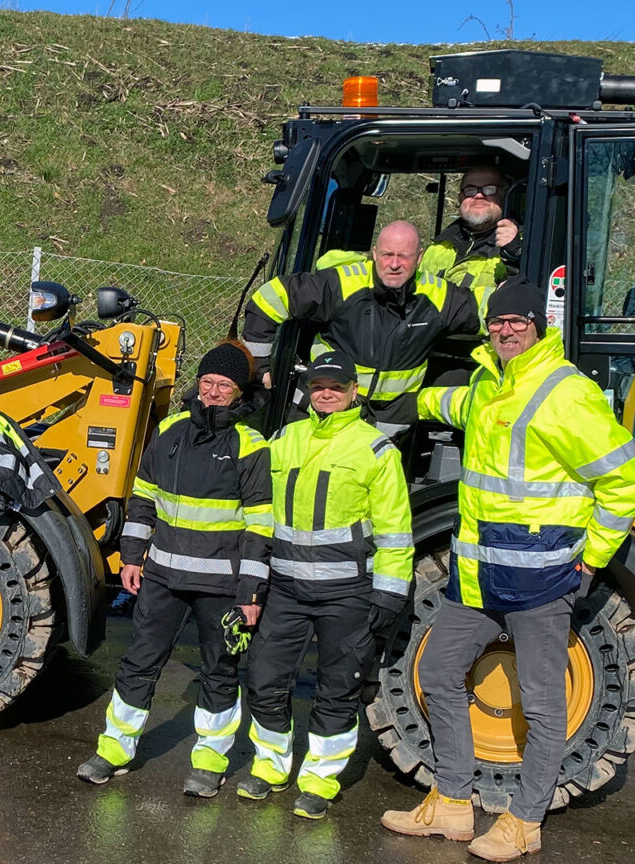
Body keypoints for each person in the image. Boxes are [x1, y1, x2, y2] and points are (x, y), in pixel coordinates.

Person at [380, 278, 635, 861]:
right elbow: (439, 403)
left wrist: (591, 561)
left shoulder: (564, 392)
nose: (505, 329)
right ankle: (452, 802)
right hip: (476, 581)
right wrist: (374, 395)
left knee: (544, 702)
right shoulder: (484, 383)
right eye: (497, 322)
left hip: (540, 582)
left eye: (516, 322)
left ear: (536, 325)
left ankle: (524, 821)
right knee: (438, 674)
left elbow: (626, 477)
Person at [76, 341, 273, 798]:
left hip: (220, 587)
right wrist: (130, 557)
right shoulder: (170, 431)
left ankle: (209, 761)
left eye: (224, 385)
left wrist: (249, 595)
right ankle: (115, 749)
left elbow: (261, 527)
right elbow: (143, 497)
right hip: (162, 576)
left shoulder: (250, 445)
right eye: (207, 382)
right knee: (139, 662)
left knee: (220, 669)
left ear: (239, 393)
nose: (213, 391)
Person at [235, 350, 413, 820]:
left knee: (337, 690)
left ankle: (319, 780)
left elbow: (395, 532)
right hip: (286, 590)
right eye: (319, 387)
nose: (327, 394)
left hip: (348, 595)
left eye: (336, 386)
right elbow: (257, 510)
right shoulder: (285, 439)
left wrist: (389, 594)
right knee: (264, 680)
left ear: (354, 391)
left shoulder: (376, 450)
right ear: (309, 391)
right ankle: (271, 767)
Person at [243, 220, 480, 437]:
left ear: (419, 258)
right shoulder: (343, 283)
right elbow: (270, 298)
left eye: (403, 256)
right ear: (374, 254)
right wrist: (261, 367)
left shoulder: (439, 296)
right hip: (319, 417)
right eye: (387, 255)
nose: (394, 264)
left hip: (385, 432)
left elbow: (496, 309)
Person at [418, 165, 522, 323]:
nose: (479, 196)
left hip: (485, 343)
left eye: (489, 189)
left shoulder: (525, 245)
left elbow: (521, 302)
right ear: (460, 198)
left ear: (505, 196)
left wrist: (515, 256)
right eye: (470, 190)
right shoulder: (437, 247)